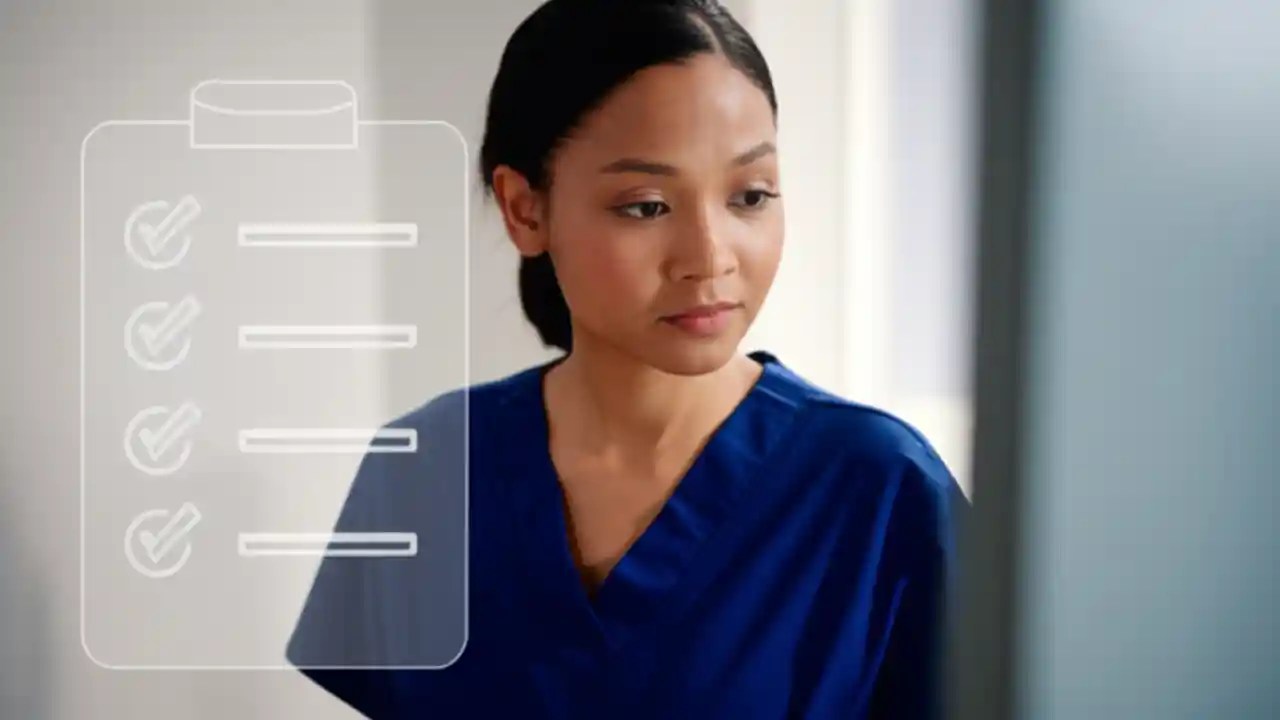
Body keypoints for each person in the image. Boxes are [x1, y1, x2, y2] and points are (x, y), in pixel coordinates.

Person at [289, 1, 969, 717]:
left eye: (751, 195)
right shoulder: (423, 471)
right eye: (645, 206)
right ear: (525, 210)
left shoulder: (880, 488)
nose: (709, 258)